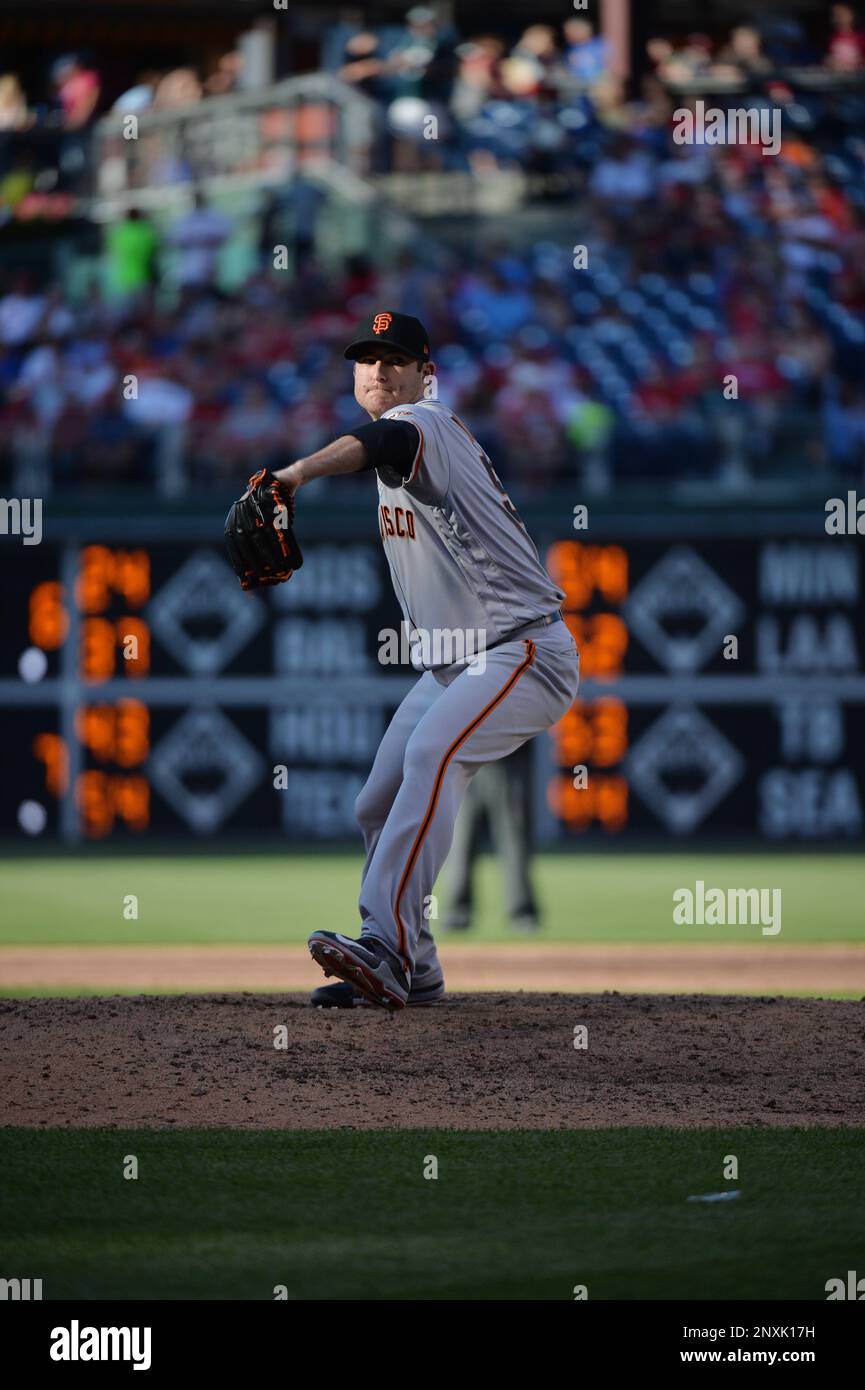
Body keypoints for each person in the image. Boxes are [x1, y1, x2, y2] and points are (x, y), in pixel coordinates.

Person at [271, 310, 579, 1009]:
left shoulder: (426, 424)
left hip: (521, 649)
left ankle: (386, 947)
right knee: (375, 803)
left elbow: (385, 436)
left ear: (425, 374)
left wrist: (294, 474)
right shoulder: (395, 443)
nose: (379, 370)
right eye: (366, 358)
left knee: (432, 757)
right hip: (454, 662)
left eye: (396, 358)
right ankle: (417, 965)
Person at [440, 741, 541, 933]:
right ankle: (457, 912)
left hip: (507, 763)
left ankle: (522, 912)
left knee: (514, 842)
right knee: (460, 843)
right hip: (465, 765)